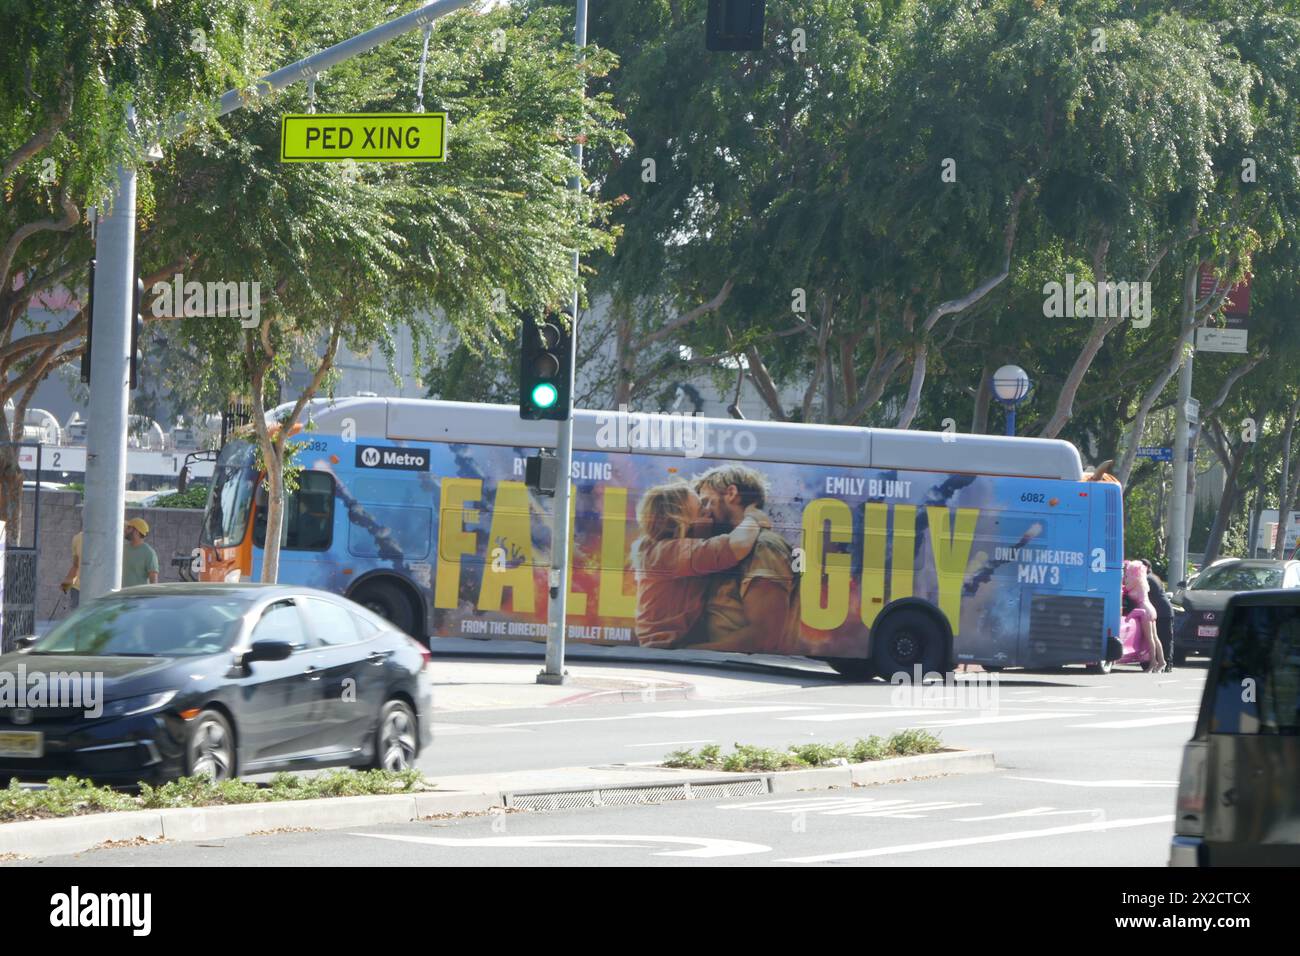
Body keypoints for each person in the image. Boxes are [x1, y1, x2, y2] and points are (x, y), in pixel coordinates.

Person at [632, 481, 770, 648]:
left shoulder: (658, 548)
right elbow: (738, 544)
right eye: (700, 508)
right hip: (666, 649)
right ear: (680, 520)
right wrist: (753, 517)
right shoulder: (667, 552)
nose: (708, 511)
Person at [689, 464, 801, 655]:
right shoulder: (730, 546)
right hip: (726, 663)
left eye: (708, 502)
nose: (706, 512)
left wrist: (691, 652)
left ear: (731, 493)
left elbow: (763, 635)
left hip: (740, 665)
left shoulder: (764, 547)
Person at [1123, 559, 1166, 673]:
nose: (1126, 576)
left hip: (1144, 610)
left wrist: (1129, 616)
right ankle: (1161, 661)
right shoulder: (1141, 582)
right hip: (1150, 609)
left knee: (1150, 639)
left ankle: (1153, 662)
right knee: (1155, 638)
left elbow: (1126, 589)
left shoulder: (1134, 581)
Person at [1141, 558, 1175, 671]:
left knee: (1164, 638)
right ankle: (1164, 663)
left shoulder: (1147, 578)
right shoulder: (1153, 577)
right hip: (1162, 610)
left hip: (1162, 611)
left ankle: (1166, 663)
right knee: (1163, 638)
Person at [122, 517, 160, 587]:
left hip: (139, 597)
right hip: (122, 596)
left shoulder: (149, 553)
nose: (125, 530)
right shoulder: (122, 549)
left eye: (128, 527)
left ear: (136, 531)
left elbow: (154, 581)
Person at [59, 530, 83, 609]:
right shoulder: (77, 538)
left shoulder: (77, 538)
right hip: (78, 589)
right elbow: (76, 565)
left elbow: (75, 565)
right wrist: (66, 585)